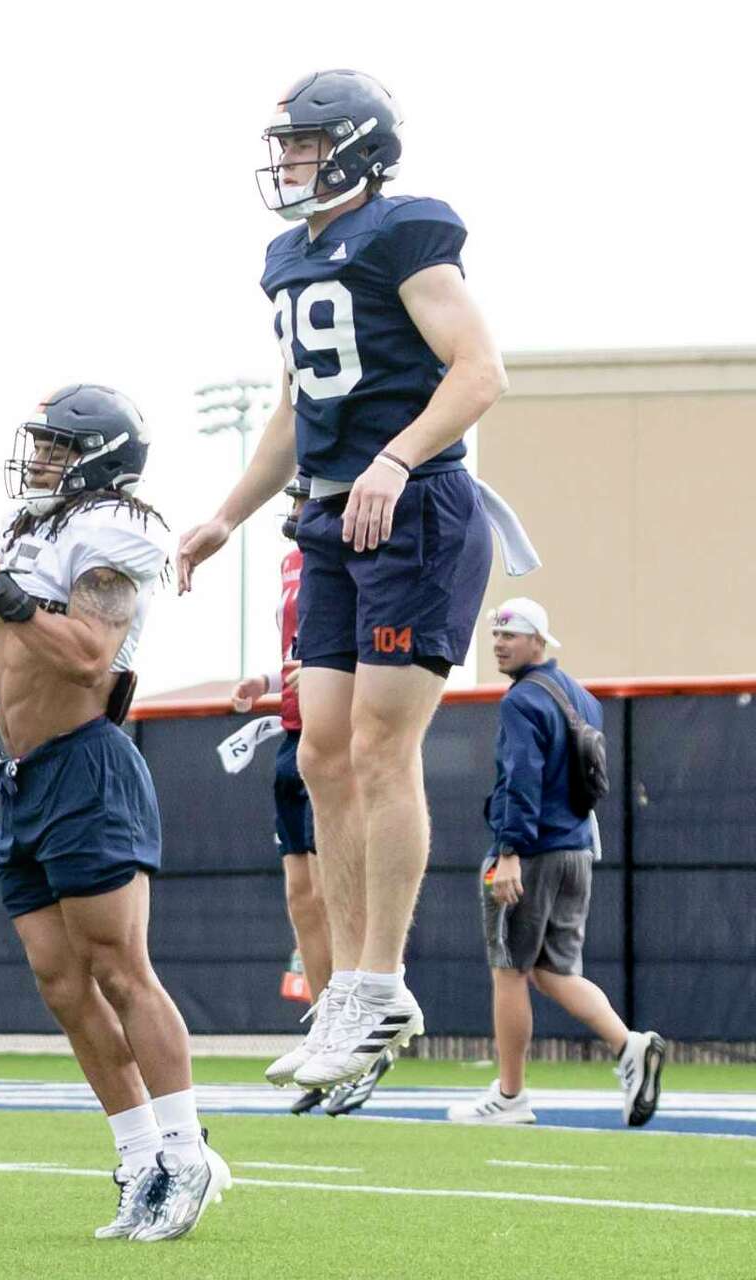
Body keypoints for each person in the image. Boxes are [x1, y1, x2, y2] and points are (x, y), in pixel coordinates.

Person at [178, 69, 505, 1092]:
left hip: (414, 509)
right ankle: (354, 987)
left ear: (357, 145)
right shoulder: (290, 256)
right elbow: (291, 412)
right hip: (326, 514)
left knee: (377, 742)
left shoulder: (407, 231)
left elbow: (480, 369)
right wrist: (226, 515)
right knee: (319, 748)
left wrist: (397, 458)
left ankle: (377, 977)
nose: (288, 163)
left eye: (305, 144)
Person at [0, 384, 226, 1242]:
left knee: (119, 968)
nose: (41, 461)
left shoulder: (116, 529)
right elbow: (8, 655)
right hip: (25, 776)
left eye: (57, 447)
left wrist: (3, 588)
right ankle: (138, 1158)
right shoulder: (40, 532)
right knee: (63, 985)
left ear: (97, 454)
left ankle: (185, 1153)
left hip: (88, 767)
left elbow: (91, 654)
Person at [448, 598, 665, 1127]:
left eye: (512, 634)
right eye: (496, 633)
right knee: (554, 971)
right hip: (577, 850)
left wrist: (509, 852)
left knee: (510, 971)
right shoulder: (583, 698)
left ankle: (510, 1096)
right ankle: (630, 1045)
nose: (499, 642)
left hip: (533, 850)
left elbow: (521, 778)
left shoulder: (522, 700)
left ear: (539, 642)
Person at [231, 478, 391, 1117]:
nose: (296, 512)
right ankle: (327, 1028)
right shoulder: (293, 562)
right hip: (294, 734)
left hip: (337, 736)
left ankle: (360, 1037)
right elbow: (299, 653)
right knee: (302, 898)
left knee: (334, 892)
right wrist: (269, 678)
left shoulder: (350, 555)